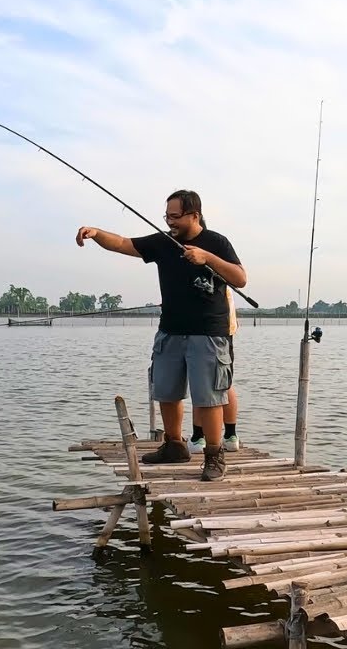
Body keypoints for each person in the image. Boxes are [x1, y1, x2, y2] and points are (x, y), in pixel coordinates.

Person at [76, 189, 246, 481]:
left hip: (208, 333)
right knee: (166, 392)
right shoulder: (163, 242)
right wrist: (95, 233)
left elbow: (240, 278)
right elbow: (122, 244)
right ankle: (174, 445)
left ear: (195, 214)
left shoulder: (216, 242)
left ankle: (214, 455)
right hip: (170, 330)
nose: (170, 221)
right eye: (166, 215)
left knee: (208, 398)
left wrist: (207, 258)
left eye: (175, 216)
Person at [190, 286, 240, 453]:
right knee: (222, 382)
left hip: (209, 328)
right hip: (223, 326)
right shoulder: (222, 267)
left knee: (203, 382)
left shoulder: (201, 262)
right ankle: (230, 436)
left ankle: (198, 438)